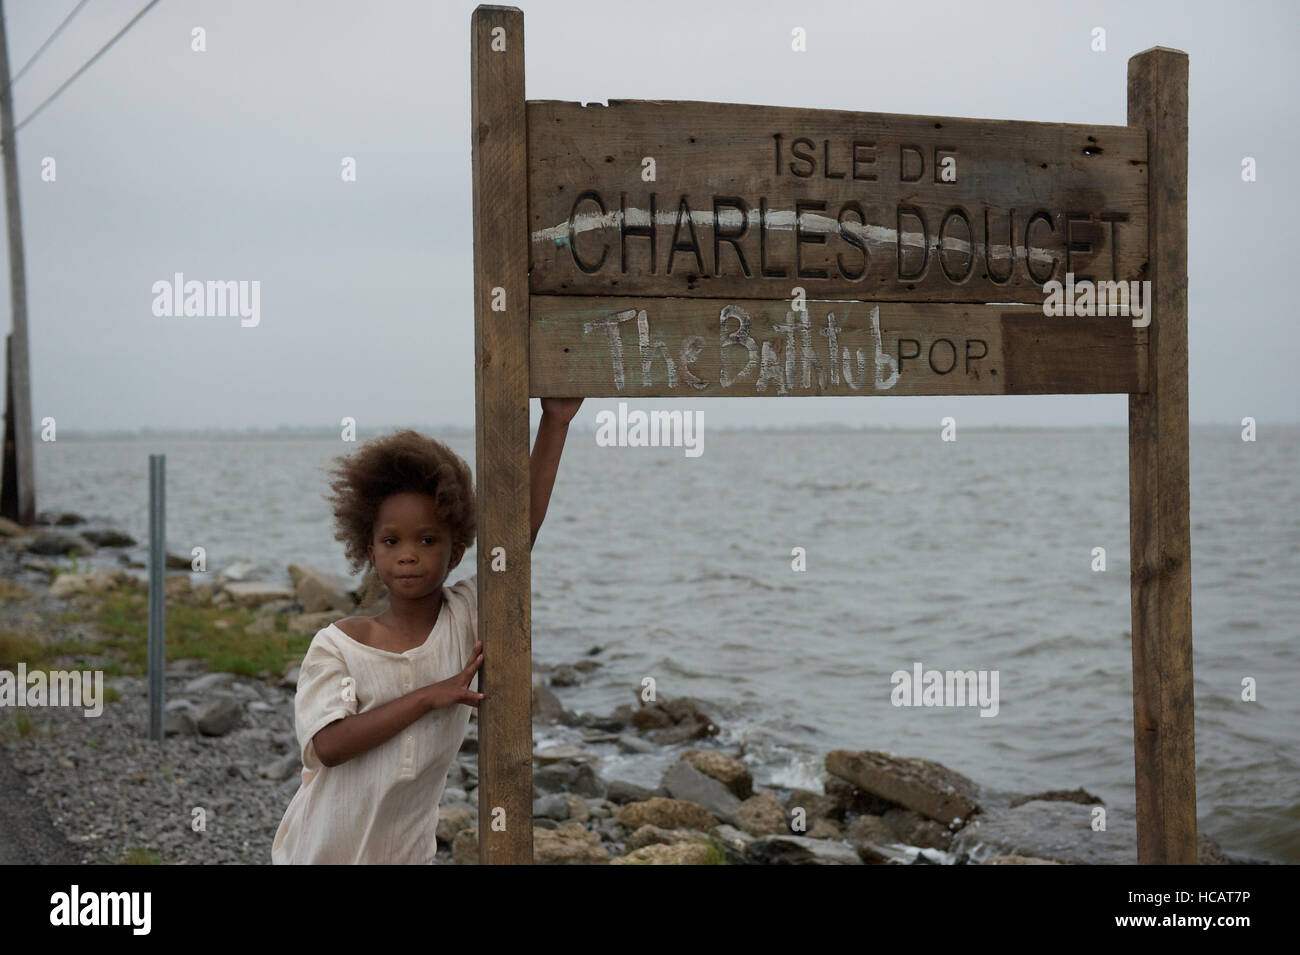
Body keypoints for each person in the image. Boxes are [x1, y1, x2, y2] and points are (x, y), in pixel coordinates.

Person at [272, 398, 582, 863]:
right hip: (319, 852)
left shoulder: (464, 617)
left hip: (407, 853)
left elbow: (520, 533)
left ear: (455, 552)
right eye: (392, 541)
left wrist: (555, 421)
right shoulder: (338, 646)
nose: (408, 554)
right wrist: (427, 696)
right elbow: (329, 745)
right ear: (369, 551)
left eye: (427, 540)